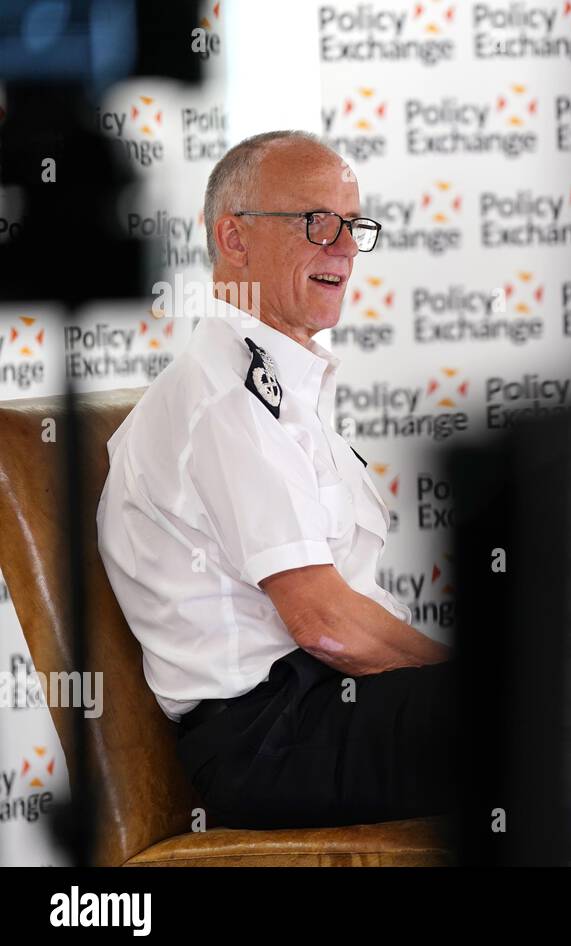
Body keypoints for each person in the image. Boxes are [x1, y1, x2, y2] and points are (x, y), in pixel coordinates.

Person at [96, 130, 454, 829]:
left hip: (321, 712)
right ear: (234, 237)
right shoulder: (222, 399)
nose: (345, 247)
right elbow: (324, 624)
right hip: (273, 740)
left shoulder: (271, 389)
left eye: (354, 226)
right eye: (317, 222)